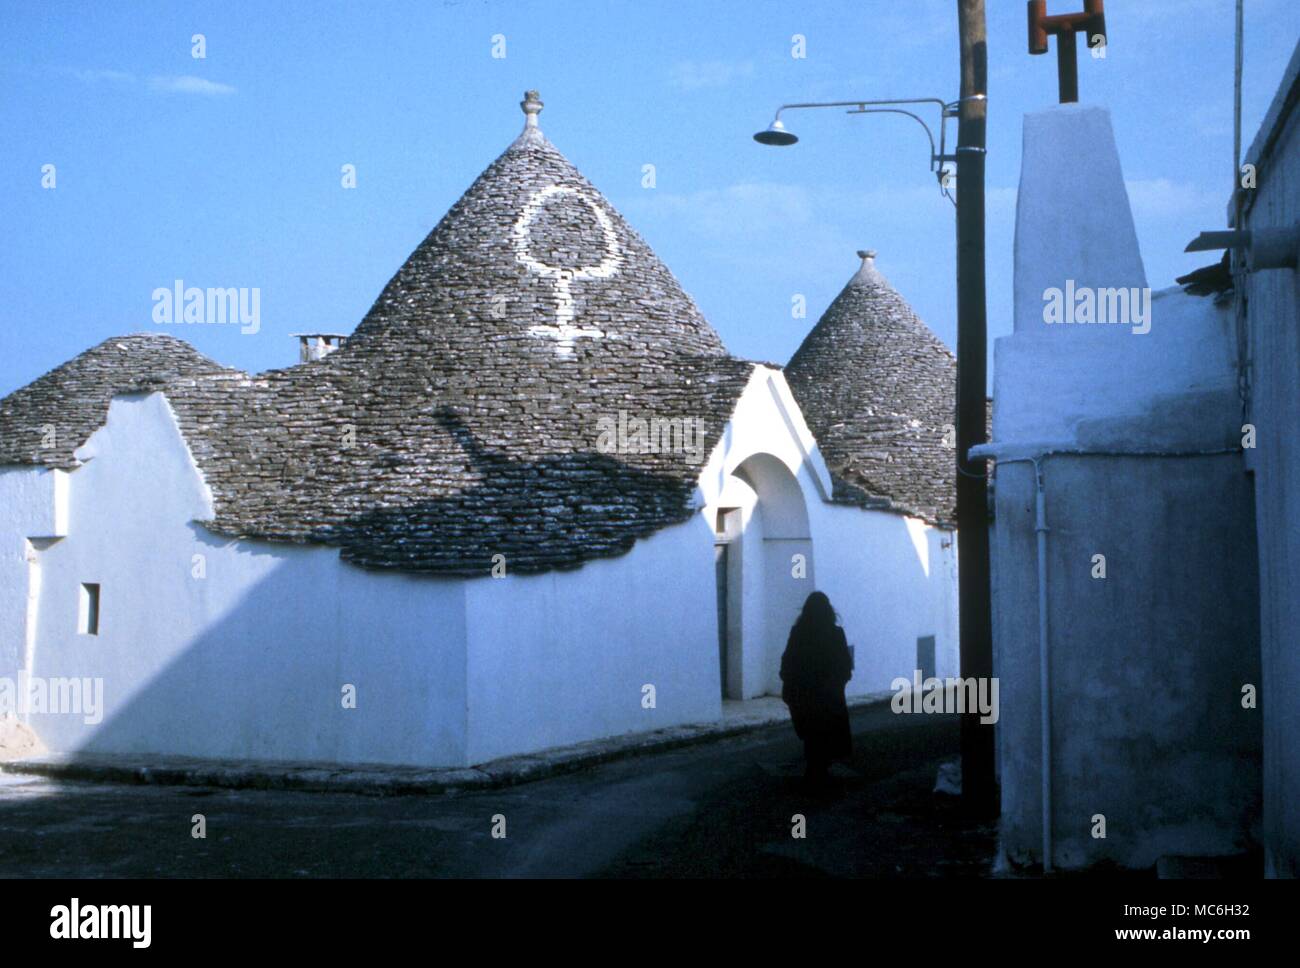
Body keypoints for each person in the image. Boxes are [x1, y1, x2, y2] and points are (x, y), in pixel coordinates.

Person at [779, 591, 853, 788]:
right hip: (828, 696)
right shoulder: (836, 634)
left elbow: (788, 661)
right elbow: (845, 666)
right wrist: (836, 685)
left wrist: (790, 685)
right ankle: (819, 774)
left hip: (805, 695)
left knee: (811, 735)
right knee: (825, 733)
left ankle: (814, 774)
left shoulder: (798, 633)